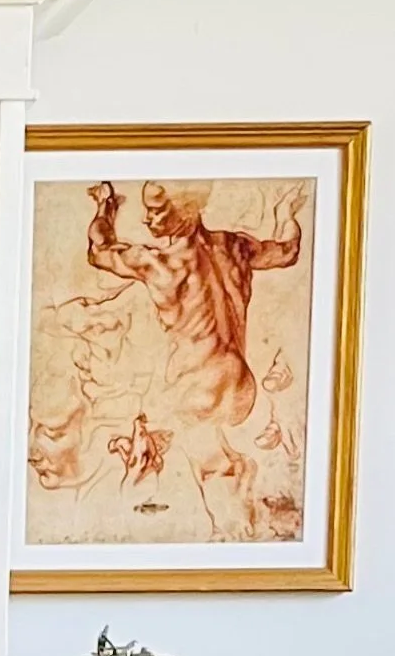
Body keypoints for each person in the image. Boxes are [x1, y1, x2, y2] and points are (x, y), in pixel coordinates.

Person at [83, 179, 304, 538]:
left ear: (188, 209)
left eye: (156, 210)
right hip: (240, 383)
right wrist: (285, 214)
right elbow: (286, 251)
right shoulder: (235, 247)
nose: (147, 220)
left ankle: (230, 536)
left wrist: (104, 207)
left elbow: (99, 250)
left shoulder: (158, 264)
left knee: (180, 463)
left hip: (197, 383)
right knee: (200, 457)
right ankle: (240, 507)